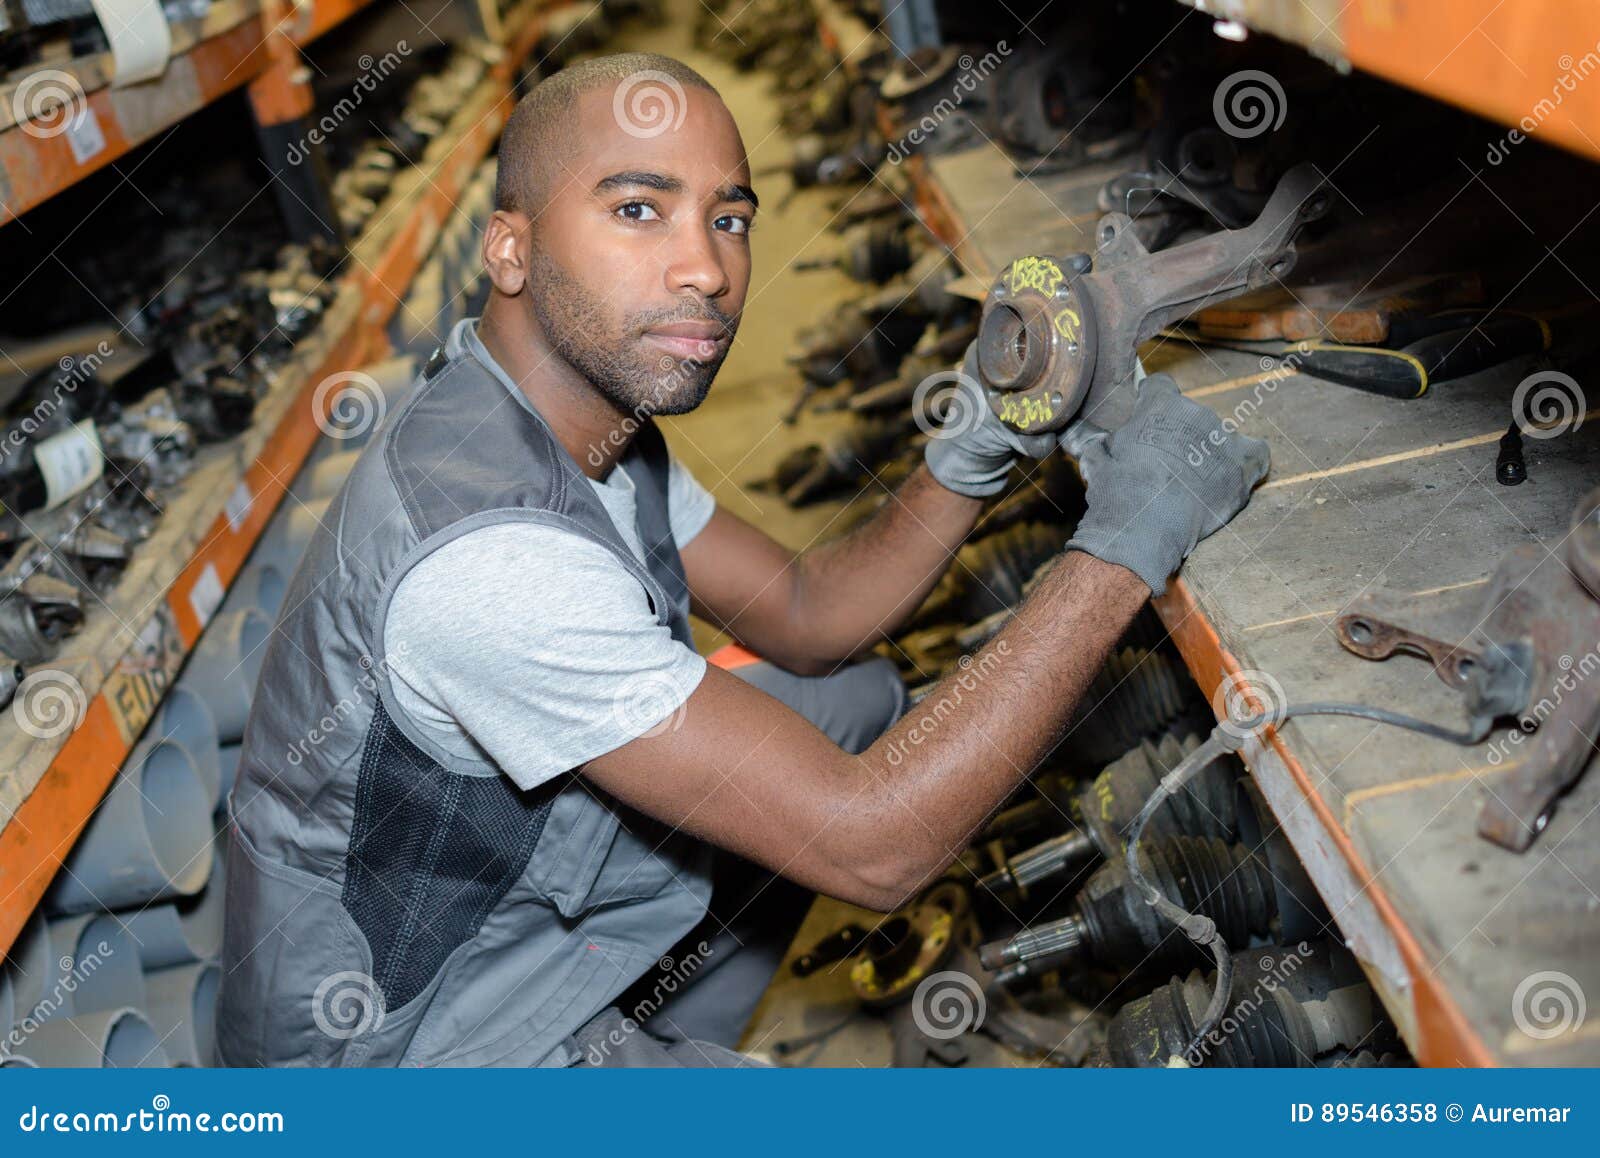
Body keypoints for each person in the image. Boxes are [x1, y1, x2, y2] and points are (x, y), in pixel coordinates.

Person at [216, 52, 1268, 1068]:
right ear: (510, 248)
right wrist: (1126, 541)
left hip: (503, 938)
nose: (706, 270)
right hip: (404, 1056)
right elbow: (879, 849)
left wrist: (975, 440)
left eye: (727, 219)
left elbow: (808, 612)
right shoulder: (492, 563)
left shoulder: (571, 418)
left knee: (847, 700)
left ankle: (663, 1041)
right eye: (637, 209)